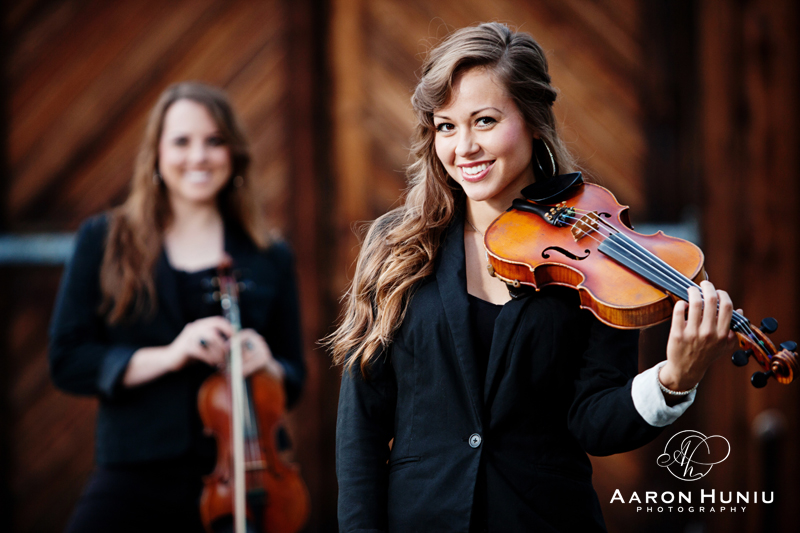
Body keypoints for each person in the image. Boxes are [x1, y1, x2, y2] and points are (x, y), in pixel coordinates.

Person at [329, 23, 737, 532]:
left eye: (484, 120)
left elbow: (593, 420)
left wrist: (675, 380)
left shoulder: (598, 253)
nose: (464, 147)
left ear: (534, 122)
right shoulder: (398, 247)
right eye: (446, 126)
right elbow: (361, 427)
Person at [49, 82, 305, 533]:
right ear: (156, 154)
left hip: (248, 479)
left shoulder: (268, 255)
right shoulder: (105, 240)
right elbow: (68, 360)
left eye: (214, 141)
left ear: (233, 154)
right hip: (135, 471)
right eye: (182, 142)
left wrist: (269, 363)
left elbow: (295, 373)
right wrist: (169, 355)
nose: (198, 156)